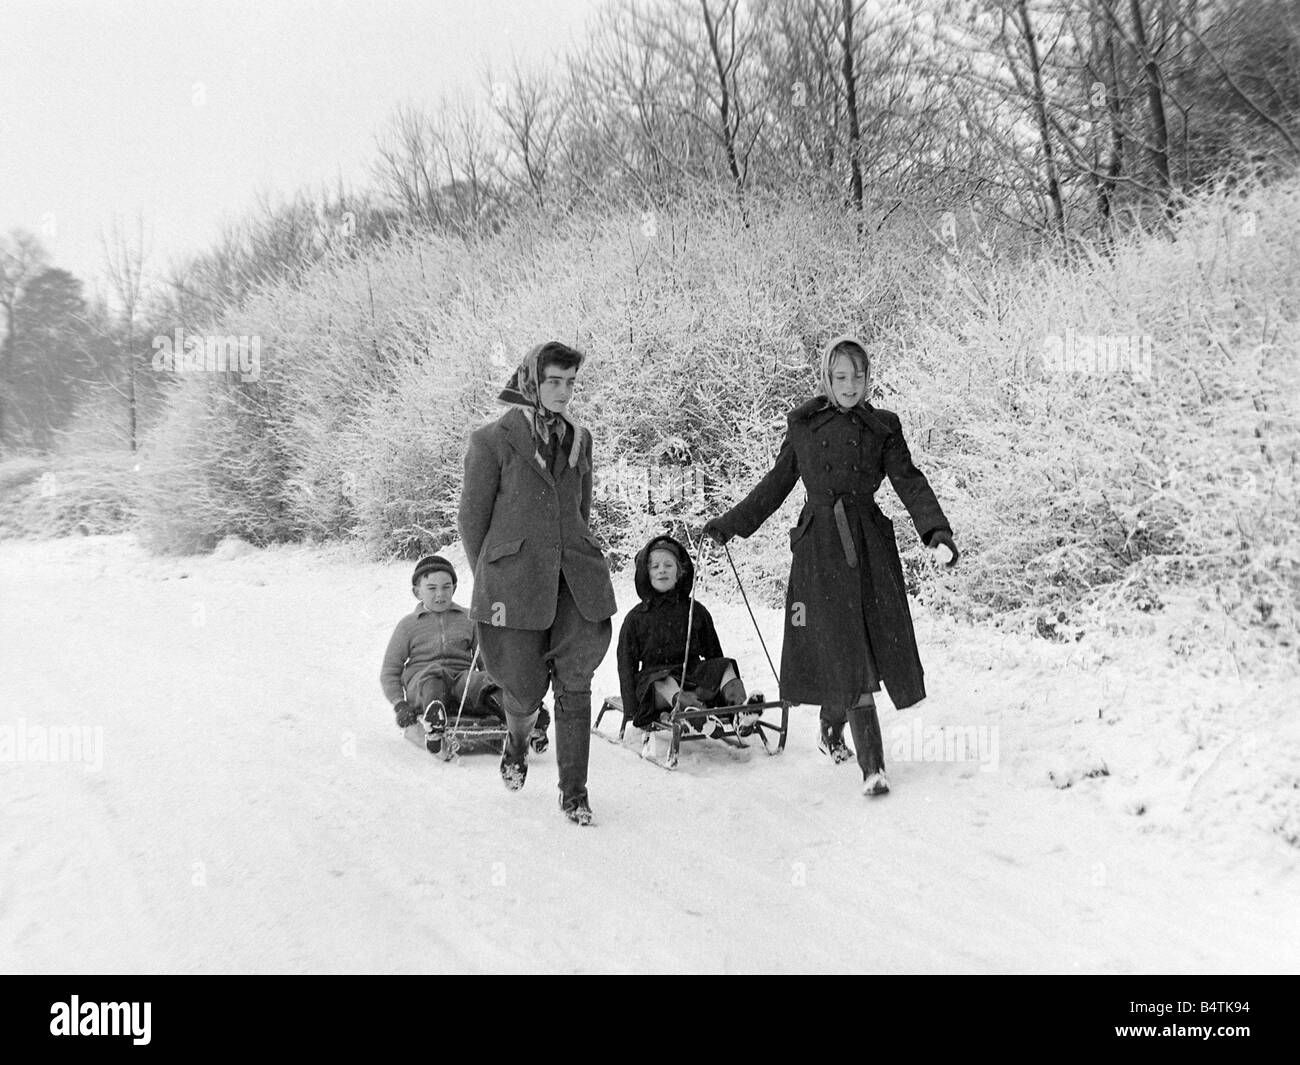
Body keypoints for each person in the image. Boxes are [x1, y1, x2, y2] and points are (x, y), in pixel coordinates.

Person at [703, 336, 959, 797]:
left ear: (868, 378)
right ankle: (873, 767)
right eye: (840, 376)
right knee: (843, 647)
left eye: (858, 376)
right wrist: (730, 525)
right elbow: (775, 485)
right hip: (819, 548)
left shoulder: (883, 427)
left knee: (863, 643)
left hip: (869, 547)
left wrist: (936, 531)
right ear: (826, 377)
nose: (849, 385)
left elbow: (910, 482)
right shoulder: (803, 427)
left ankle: (830, 726)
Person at [458, 341, 617, 826]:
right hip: (514, 585)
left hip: (575, 580)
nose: (564, 392)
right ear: (531, 380)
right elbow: (472, 522)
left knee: (575, 681)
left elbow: (581, 511)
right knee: (523, 689)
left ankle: (575, 793)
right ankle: (516, 740)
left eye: (570, 383)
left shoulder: (580, 439)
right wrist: (496, 577)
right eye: (553, 381)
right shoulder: (491, 440)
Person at [380, 555, 550, 753]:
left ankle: (525, 721)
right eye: (432, 588)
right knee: (434, 675)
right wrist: (399, 704)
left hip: (462, 682)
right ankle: (434, 721)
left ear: (454, 587)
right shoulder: (408, 625)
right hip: (424, 685)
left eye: (446, 587)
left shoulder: (468, 620)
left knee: (485, 682)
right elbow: (390, 671)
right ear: (417, 592)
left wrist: (494, 683)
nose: (440, 594)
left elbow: (486, 662)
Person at [616, 534, 764, 739]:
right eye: (655, 566)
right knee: (662, 679)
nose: (662, 570)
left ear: (679, 572)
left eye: (668, 565)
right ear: (646, 573)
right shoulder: (636, 618)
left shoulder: (695, 610)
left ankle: (739, 711)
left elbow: (713, 652)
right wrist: (632, 710)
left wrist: (718, 678)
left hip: (693, 677)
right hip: (657, 689)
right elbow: (626, 665)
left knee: (725, 665)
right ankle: (691, 712)